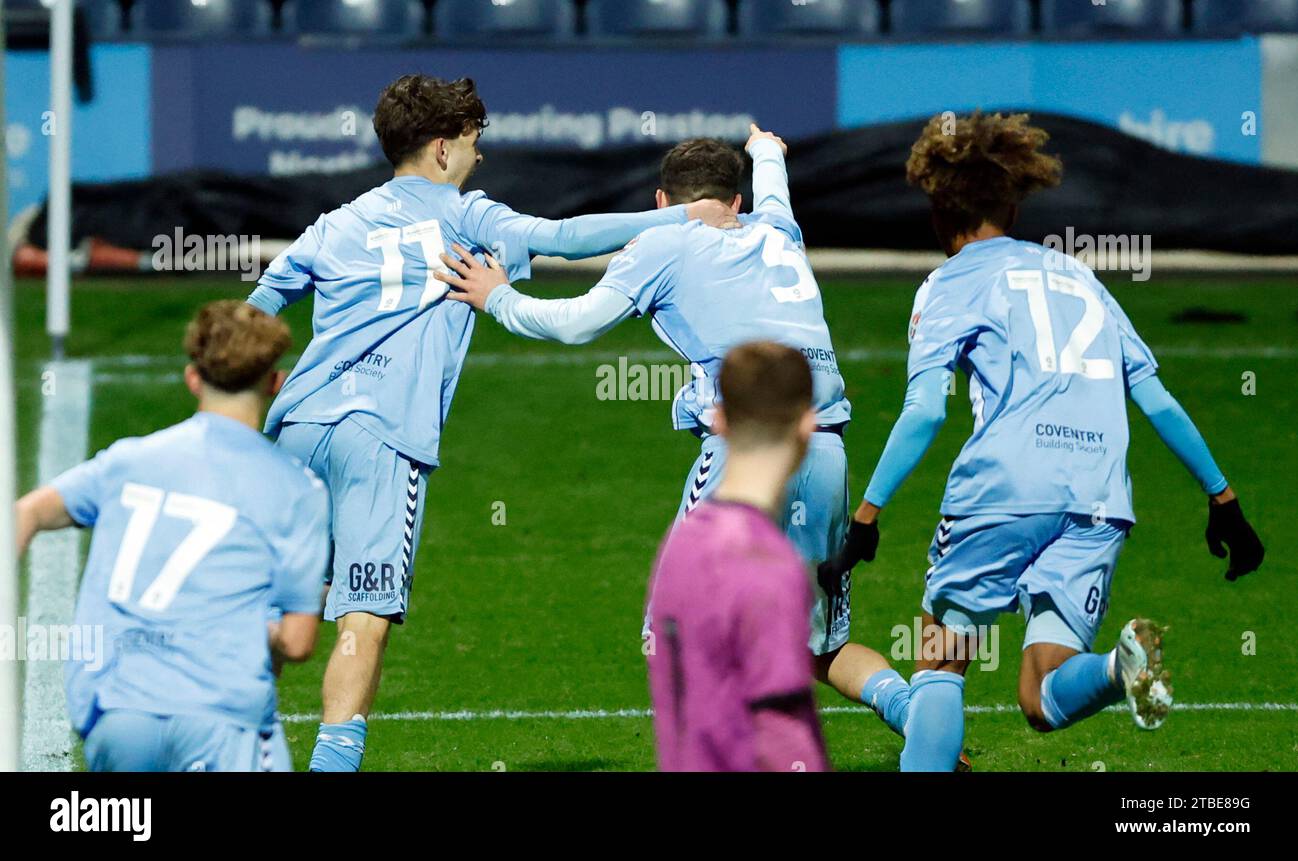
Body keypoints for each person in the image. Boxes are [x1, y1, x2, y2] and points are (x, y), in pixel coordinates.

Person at [245, 75, 736, 771]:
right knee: (363, 620)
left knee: (288, 608)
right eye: (475, 144)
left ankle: (218, 729)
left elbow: (261, 307)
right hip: (380, 439)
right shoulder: (465, 215)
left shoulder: (339, 221)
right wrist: (682, 218)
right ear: (442, 149)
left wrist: (255, 389)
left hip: (297, 426)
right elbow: (564, 238)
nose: (480, 158)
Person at [435, 125, 915, 744]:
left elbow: (578, 323)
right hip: (825, 454)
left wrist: (498, 297)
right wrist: (767, 150)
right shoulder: (779, 235)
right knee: (815, 648)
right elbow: (776, 191)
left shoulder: (663, 245)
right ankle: (914, 710)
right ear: (737, 202)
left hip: (744, 460)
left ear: (662, 204)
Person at [821, 112, 1266, 771]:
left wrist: (868, 513)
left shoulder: (948, 284)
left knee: (941, 662)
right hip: (1099, 496)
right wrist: (1223, 497)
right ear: (1014, 202)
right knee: (1041, 695)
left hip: (1005, 484)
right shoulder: (1081, 278)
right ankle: (1119, 666)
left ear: (940, 211)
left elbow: (923, 413)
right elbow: (1154, 396)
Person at [15, 301, 329, 771]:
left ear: (193, 379)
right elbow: (299, 642)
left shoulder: (129, 461)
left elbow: (26, 513)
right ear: (274, 382)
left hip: (117, 715)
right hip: (219, 718)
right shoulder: (298, 490)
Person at [646, 341, 828, 771]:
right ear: (807, 427)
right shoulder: (769, 564)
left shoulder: (680, 546)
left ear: (720, 421)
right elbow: (782, 730)